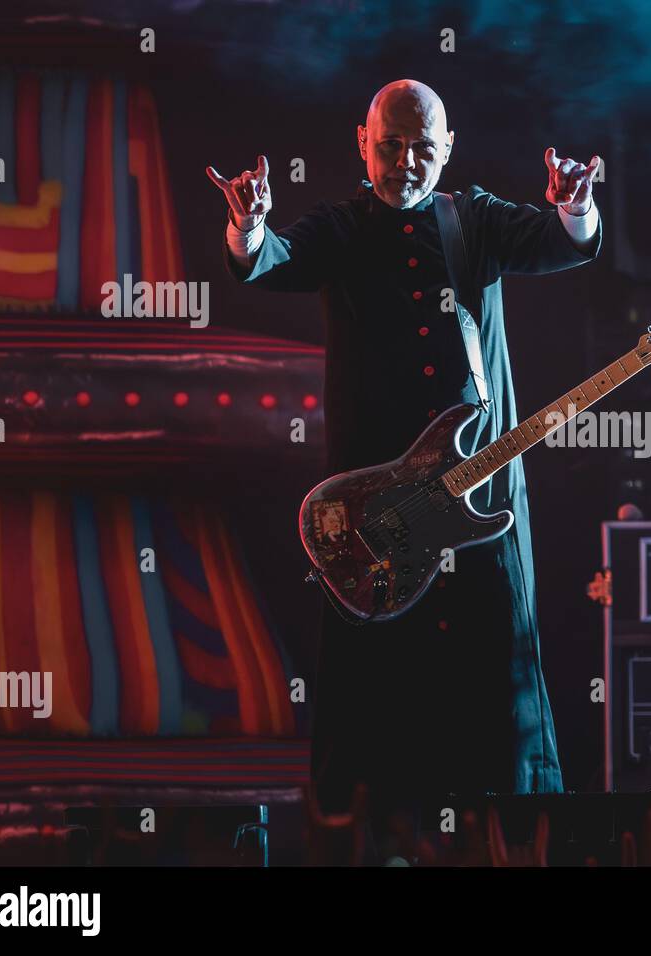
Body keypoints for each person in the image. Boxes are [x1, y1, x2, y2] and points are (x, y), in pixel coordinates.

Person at [206, 79, 602, 812]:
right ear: (363, 145)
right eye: (390, 146)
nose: (407, 163)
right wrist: (248, 228)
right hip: (374, 522)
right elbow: (272, 259)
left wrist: (574, 206)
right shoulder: (345, 227)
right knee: (379, 710)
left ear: (448, 149)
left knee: (496, 700)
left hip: (480, 504)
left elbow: (559, 243)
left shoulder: (475, 220)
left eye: (424, 147)